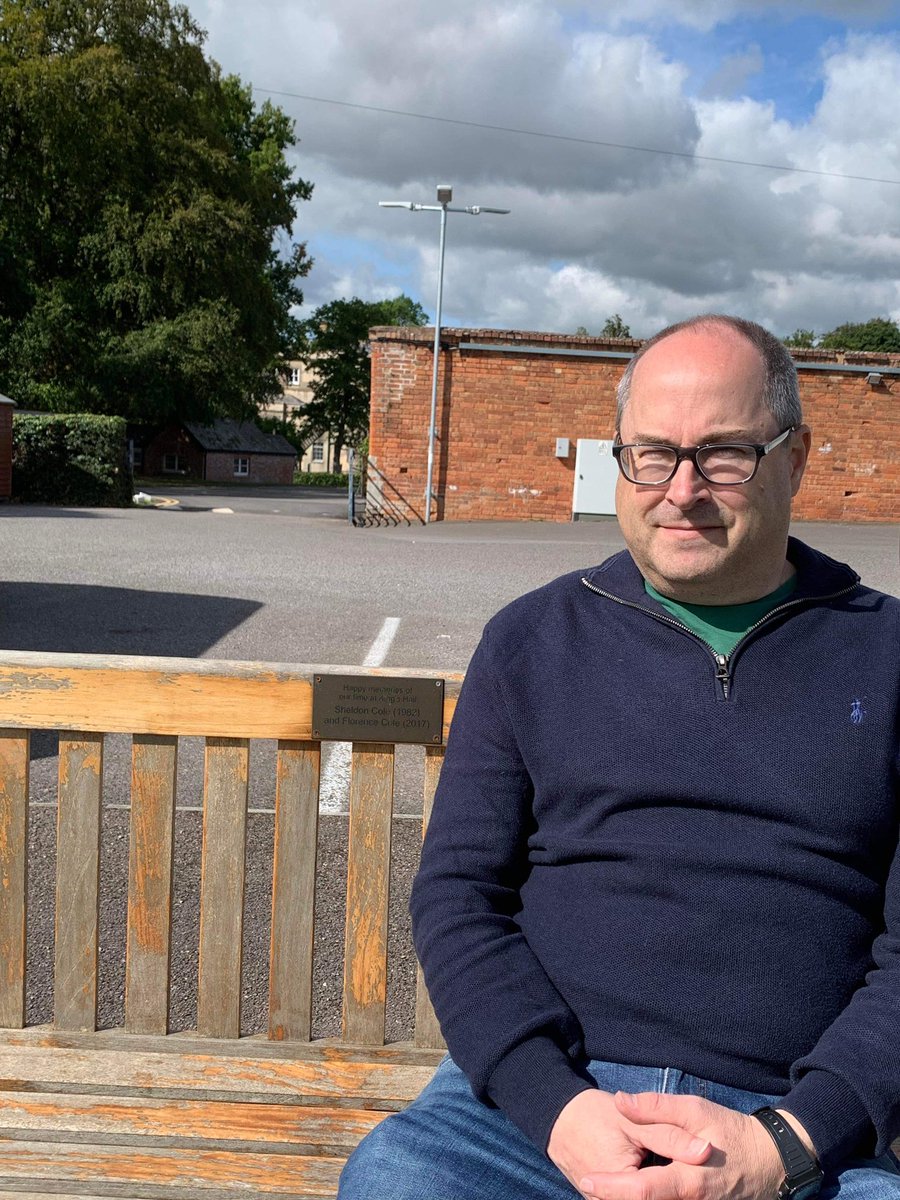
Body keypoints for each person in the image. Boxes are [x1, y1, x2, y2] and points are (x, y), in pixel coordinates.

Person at [338, 315, 900, 1200]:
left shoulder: (888, 654)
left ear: (795, 458)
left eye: (724, 454)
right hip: (541, 1115)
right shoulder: (532, 641)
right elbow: (458, 895)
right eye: (651, 454)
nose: (681, 490)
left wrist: (785, 1145)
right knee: (398, 1182)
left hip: (794, 1125)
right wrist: (554, 1106)